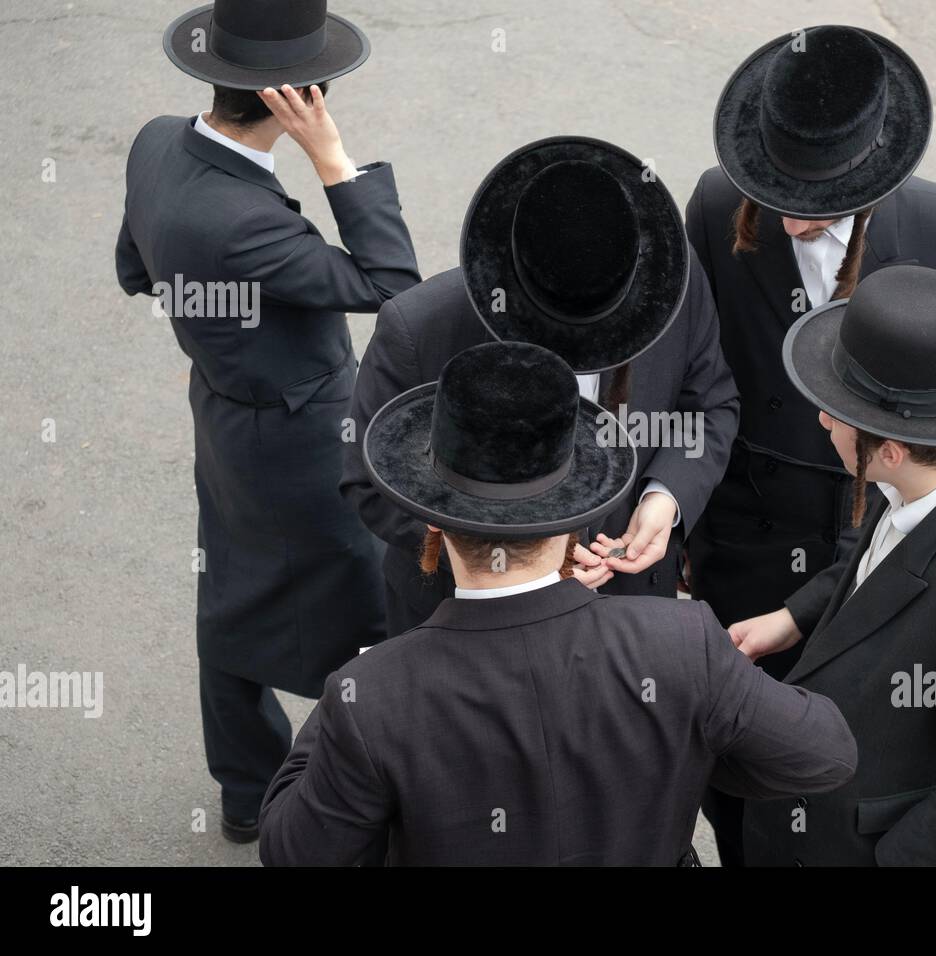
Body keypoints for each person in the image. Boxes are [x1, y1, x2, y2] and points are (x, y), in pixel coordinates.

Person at [259, 341, 856, 865]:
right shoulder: (685, 646)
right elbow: (825, 756)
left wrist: (343, 698)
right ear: (576, 511)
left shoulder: (372, 698)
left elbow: (293, 851)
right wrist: (685, 748)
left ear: (432, 528)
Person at [114, 0, 419, 843]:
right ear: (302, 98)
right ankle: (375, 792)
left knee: (232, 599)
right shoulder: (246, 221)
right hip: (305, 440)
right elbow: (394, 287)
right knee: (367, 613)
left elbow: (133, 267)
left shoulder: (153, 142)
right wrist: (334, 164)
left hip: (222, 416)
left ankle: (248, 792)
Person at [686, 23, 936, 865]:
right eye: (774, 193)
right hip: (746, 529)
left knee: (851, 756)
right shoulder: (713, 203)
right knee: (740, 763)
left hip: (867, 526)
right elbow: (701, 376)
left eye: (811, 204)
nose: (787, 220)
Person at [341, 137, 738, 636]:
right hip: (463, 624)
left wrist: (665, 499)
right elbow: (368, 481)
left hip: (627, 610)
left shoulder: (675, 287)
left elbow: (708, 406)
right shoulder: (417, 329)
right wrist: (517, 564)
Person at [733, 265, 936, 866]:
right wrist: (793, 618)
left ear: (892, 449)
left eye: (837, 413)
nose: (823, 419)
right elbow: (881, 554)